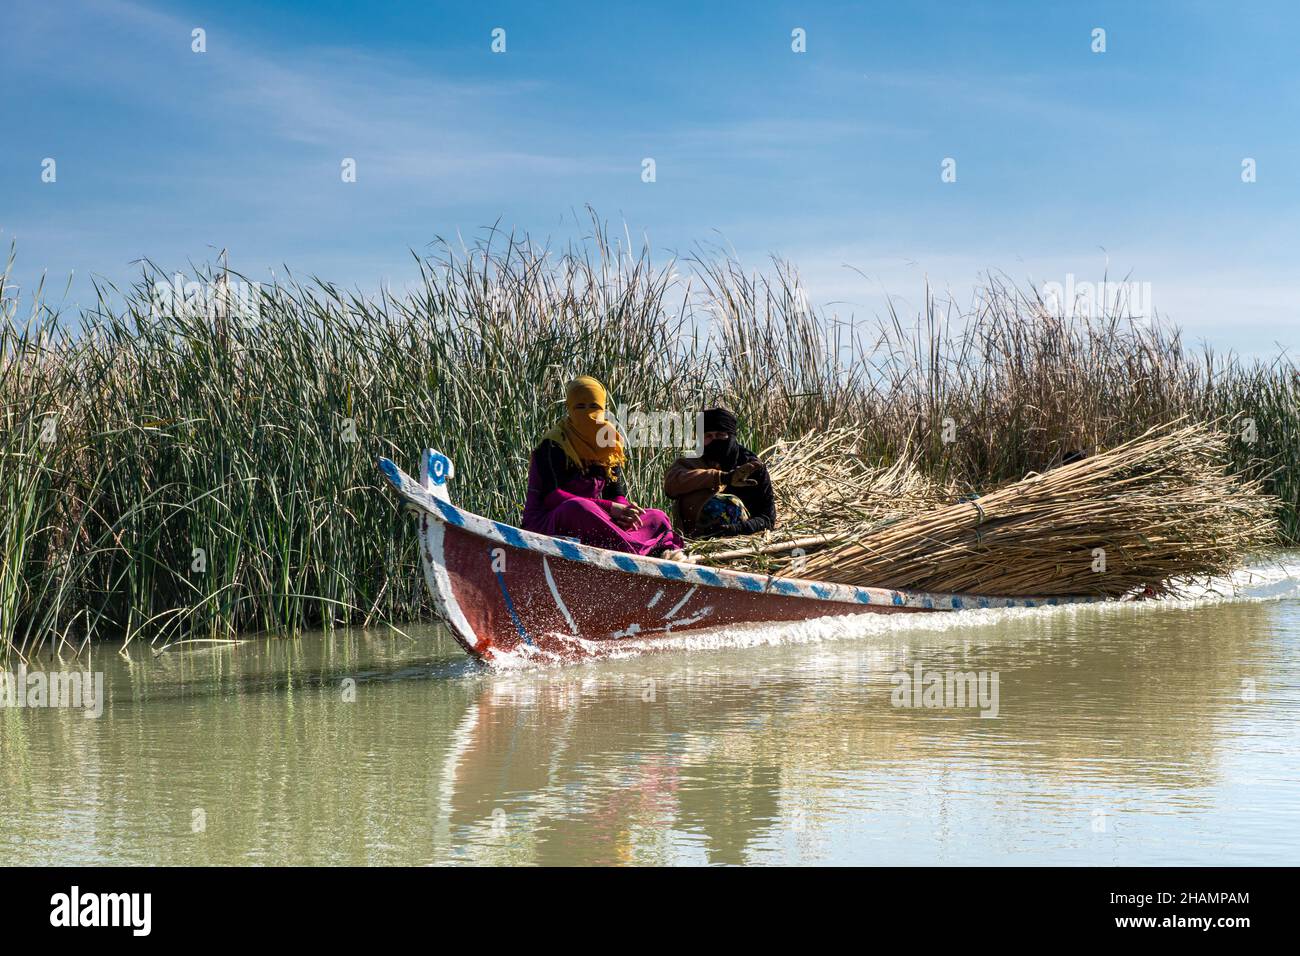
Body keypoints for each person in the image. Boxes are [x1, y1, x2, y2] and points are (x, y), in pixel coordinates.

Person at [521, 376, 688, 560]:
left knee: (657, 517)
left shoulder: (608, 443)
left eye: (594, 406)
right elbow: (553, 497)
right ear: (569, 409)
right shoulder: (554, 444)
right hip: (552, 519)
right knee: (578, 507)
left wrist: (625, 512)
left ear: (603, 409)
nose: (588, 413)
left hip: (593, 517)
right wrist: (610, 508)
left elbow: (615, 493)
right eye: (580, 407)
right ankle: (639, 552)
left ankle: (645, 548)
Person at [663, 407, 776, 539]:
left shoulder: (752, 466)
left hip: (740, 538)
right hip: (694, 537)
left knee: (730, 505)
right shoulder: (692, 462)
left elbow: (767, 518)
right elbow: (671, 485)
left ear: (731, 435)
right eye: (708, 436)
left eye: (720, 435)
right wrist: (723, 478)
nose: (714, 440)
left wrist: (736, 529)